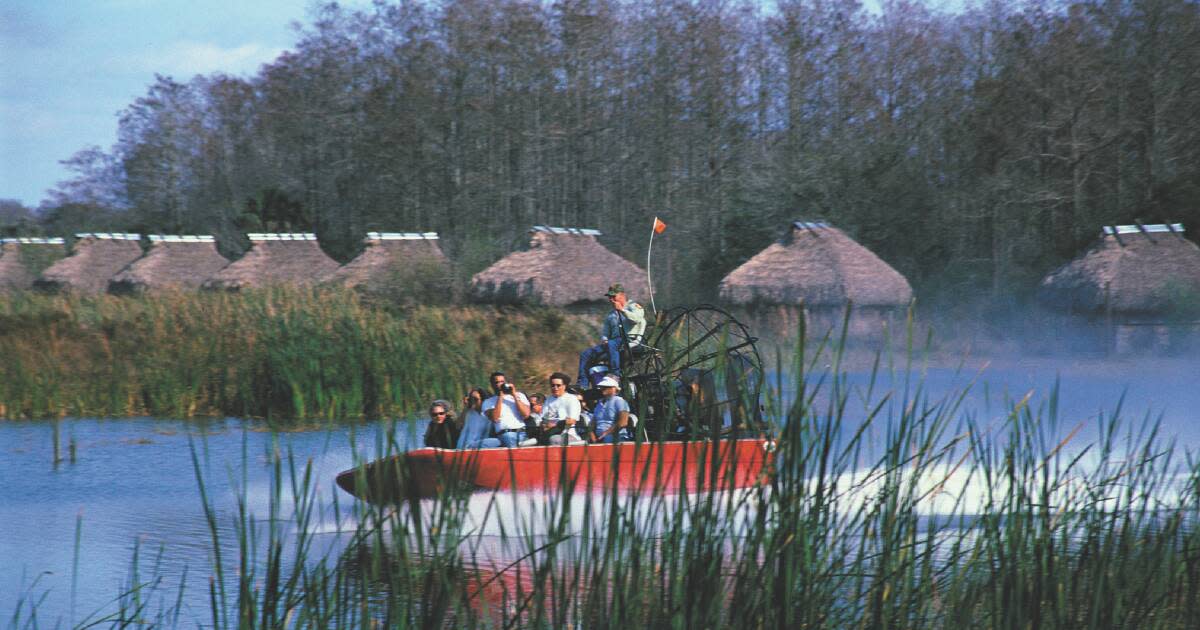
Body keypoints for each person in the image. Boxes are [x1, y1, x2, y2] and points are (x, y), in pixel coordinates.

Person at [577, 283, 646, 389]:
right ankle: (583, 383)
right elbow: (606, 331)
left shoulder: (634, 307)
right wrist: (604, 339)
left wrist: (622, 310)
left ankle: (615, 374)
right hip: (613, 342)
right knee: (586, 354)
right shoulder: (611, 314)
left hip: (629, 339)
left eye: (614, 296)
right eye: (609, 297)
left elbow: (637, 319)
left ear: (622, 295)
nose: (611, 299)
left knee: (612, 344)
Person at [482, 371, 530, 448]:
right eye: (497, 382)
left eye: (502, 382)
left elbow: (526, 414)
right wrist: (500, 397)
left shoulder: (520, 395)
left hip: (521, 432)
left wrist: (514, 395)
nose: (500, 384)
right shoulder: (488, 402)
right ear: (492, 385)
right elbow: (495, 418)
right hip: (505, 434)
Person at [541, 372, 586, 446]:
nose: (555, 388)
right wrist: (545, 424)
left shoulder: (571, 399)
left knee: (554, 439)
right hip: (549, 433)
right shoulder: (548, 400)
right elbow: (544, 419)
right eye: (553, 385)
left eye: (558, 385)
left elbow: (572, 420)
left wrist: (555, 425)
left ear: (564, 386)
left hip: (567, 434)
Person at [590, 375, 633, 443]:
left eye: (606, 387)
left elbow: (623, 422)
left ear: (614, 388)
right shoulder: (599, 404)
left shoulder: (619, 401)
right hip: (600, 439)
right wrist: (593, 438)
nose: (602, 389)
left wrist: (605, 434)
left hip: (617, 438)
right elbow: (592, 424)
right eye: (602, 387)